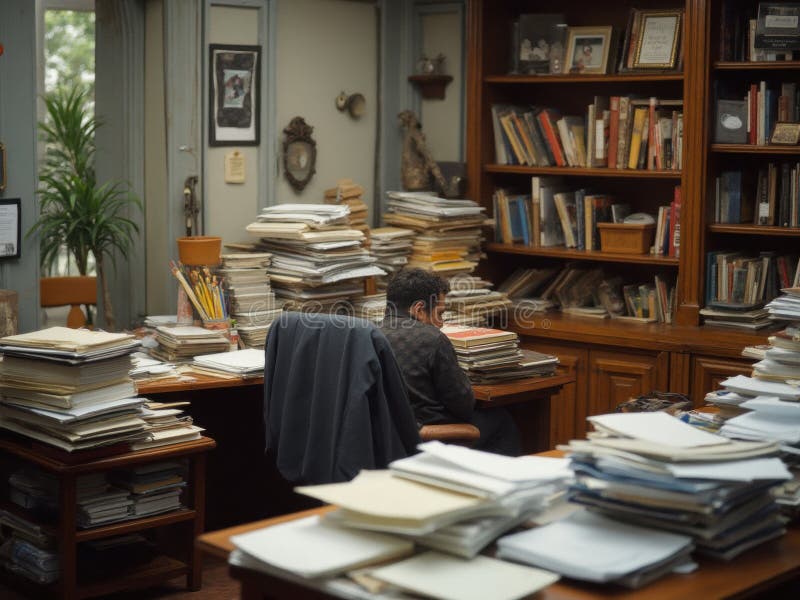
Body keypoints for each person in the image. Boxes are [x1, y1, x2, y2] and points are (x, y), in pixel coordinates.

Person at [379, 268, 521, 456]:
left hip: (387, 435)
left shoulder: (371, 334)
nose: (441, 322)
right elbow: (463, 405)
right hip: (429, 435)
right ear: (419, 309)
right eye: (439, 313)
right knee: (501, 421)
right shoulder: (432, 338)